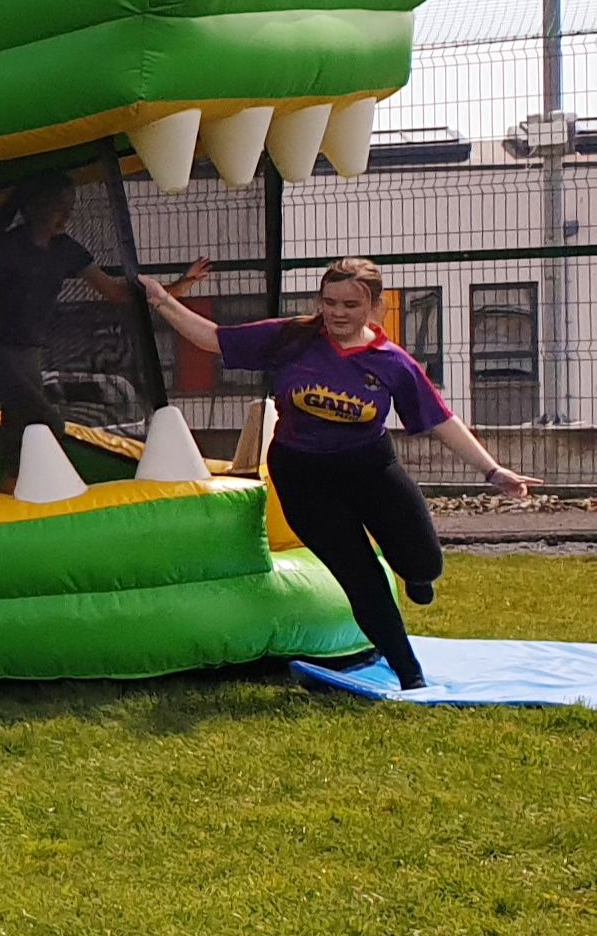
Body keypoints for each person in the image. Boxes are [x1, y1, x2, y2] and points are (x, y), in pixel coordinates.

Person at [142, 257, 533, 691]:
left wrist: (492, 470)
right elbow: (214, 339)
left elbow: (440, 419)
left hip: (370, 467)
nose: (337, 313)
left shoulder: (391, 362)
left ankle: (417, 575)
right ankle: (409, 673)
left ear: (374, 307)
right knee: (360, 575)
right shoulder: (294, 338)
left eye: (350, 305)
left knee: (425, 561)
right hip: (304, 476)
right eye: (329, 303)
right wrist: (161, 300)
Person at [0, 172, 207, 491]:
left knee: (20, 425)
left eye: (69, 208)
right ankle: (31, 484)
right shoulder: (9, 245)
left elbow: (115, 291)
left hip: (29, 355)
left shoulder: (66, 251)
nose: (66, 216)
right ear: (35, 208)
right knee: (48, 420)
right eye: (59, 207)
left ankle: (10, 485)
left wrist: (176, 287)